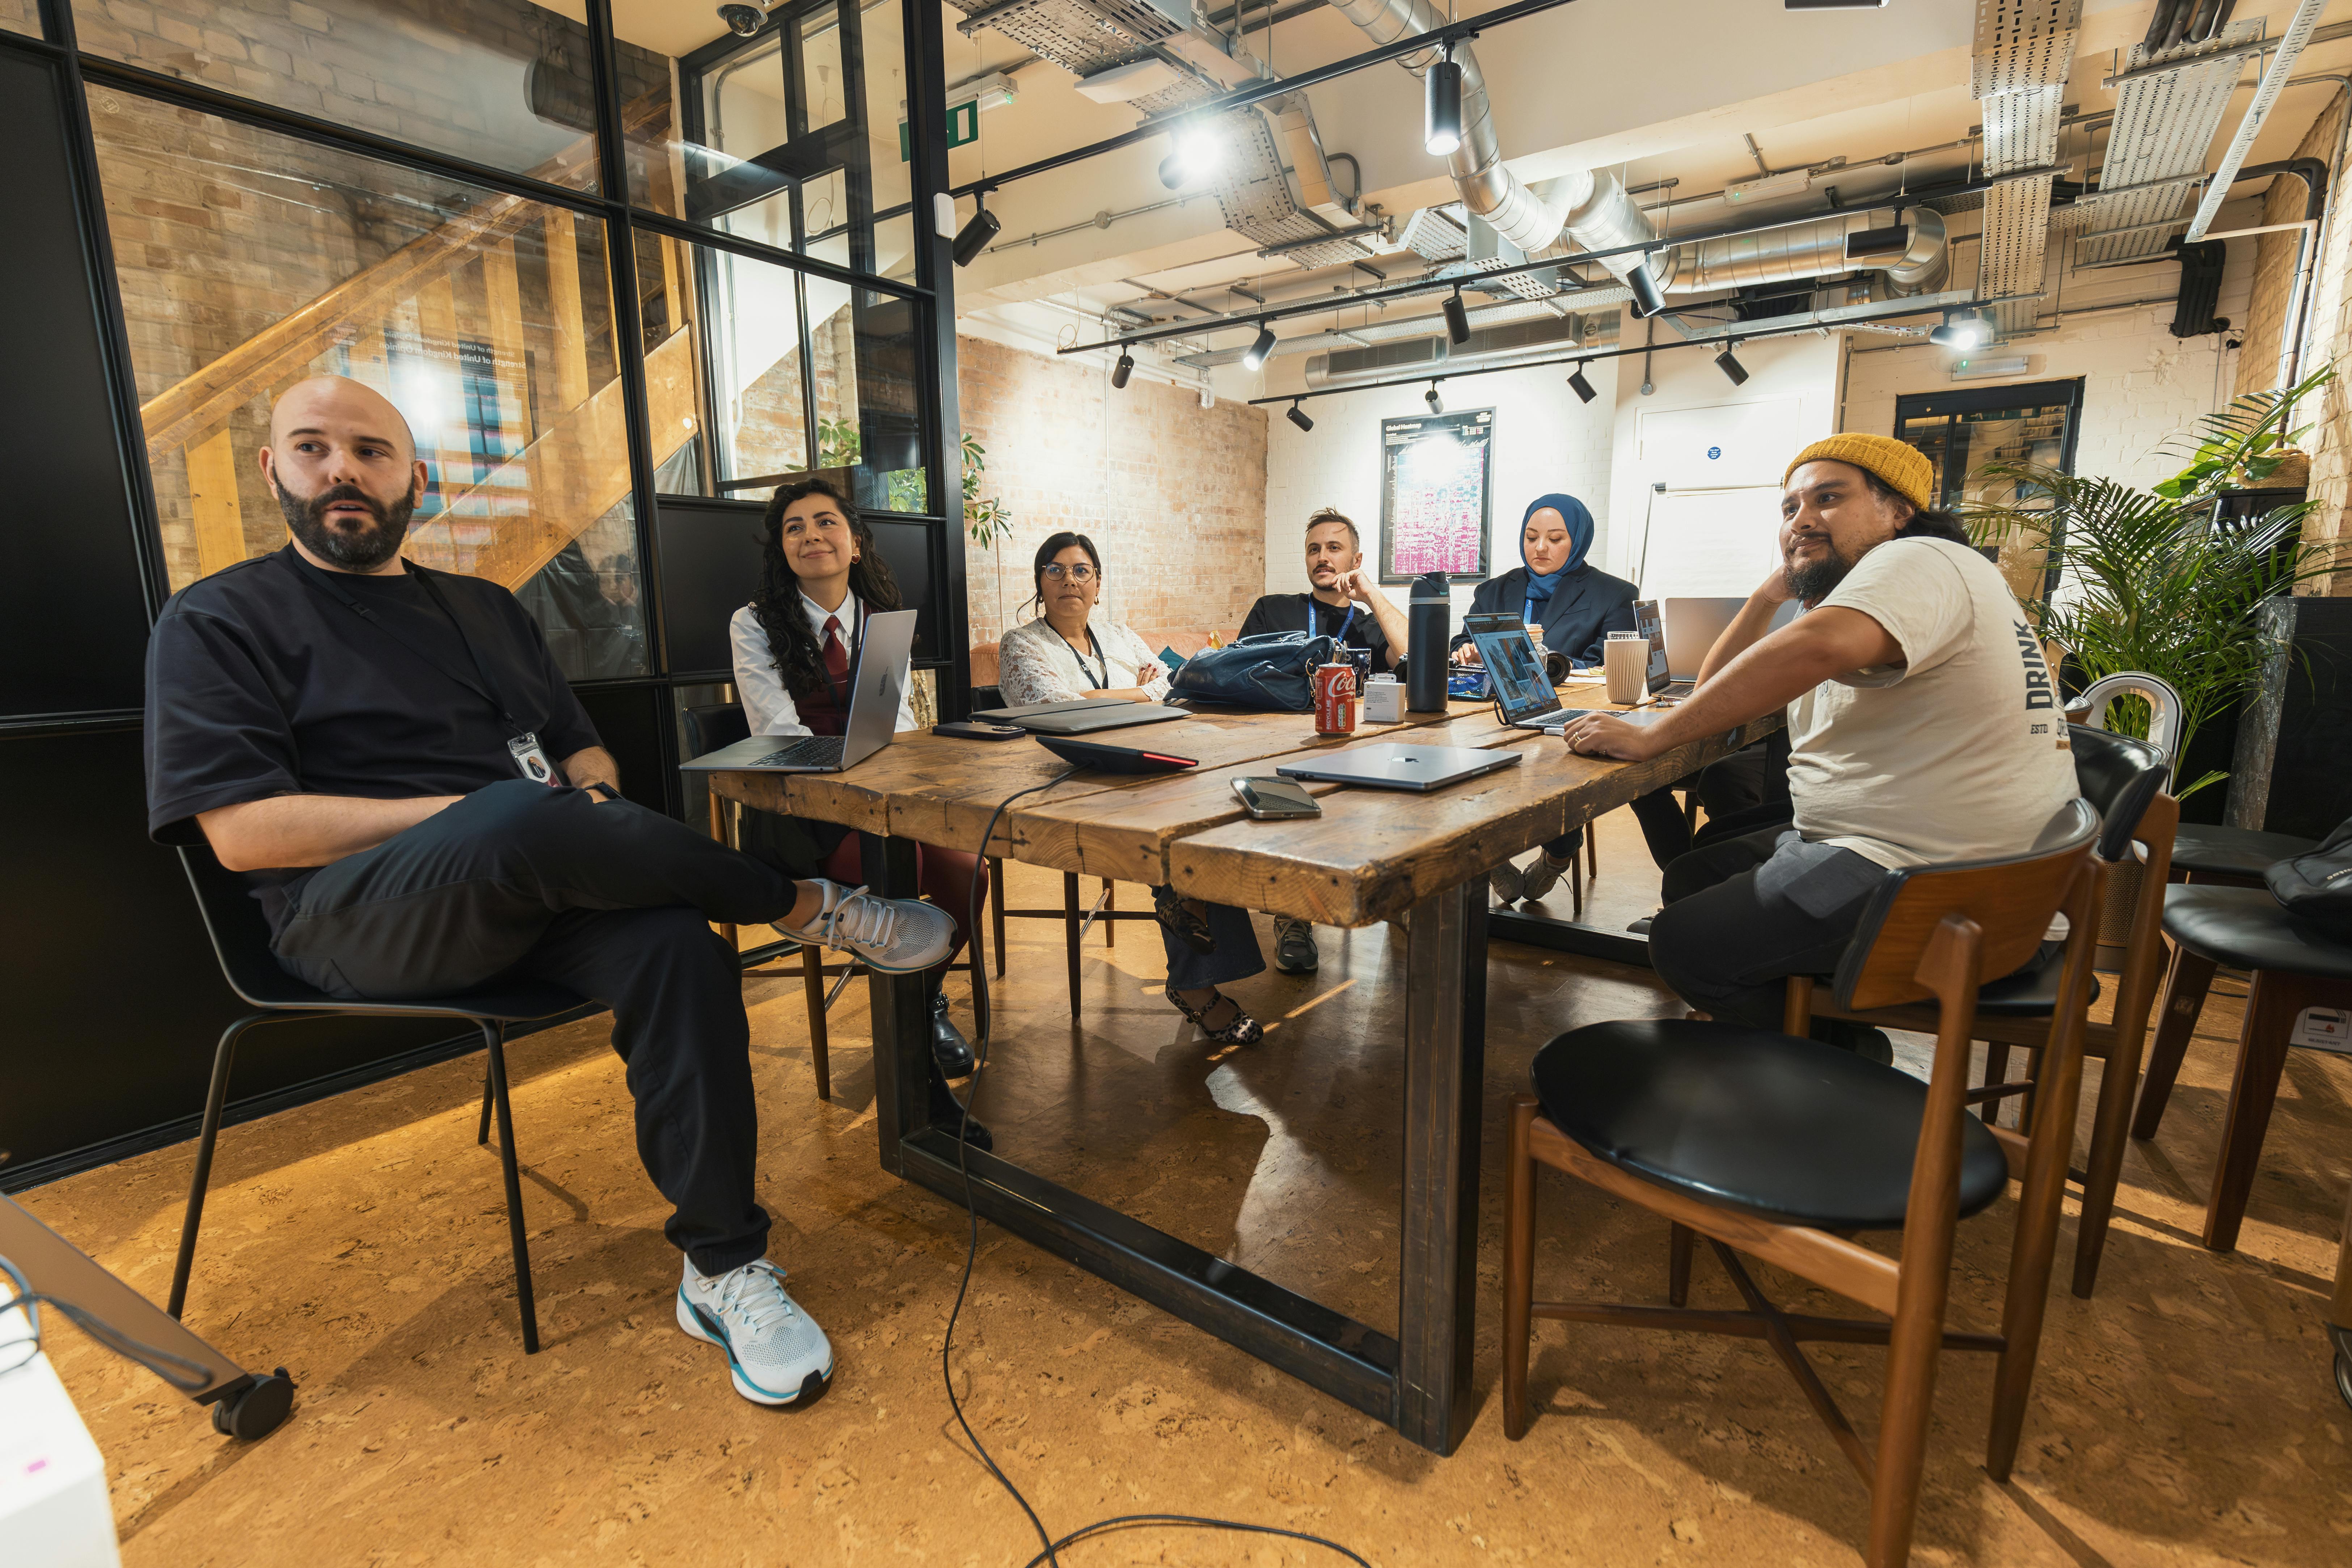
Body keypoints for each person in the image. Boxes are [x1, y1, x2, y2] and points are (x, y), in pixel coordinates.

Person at [143, 376, 966, 1412]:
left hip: (532, 887)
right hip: (351, 914)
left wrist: (591, 809)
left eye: (371, 450)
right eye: (311, 447)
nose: (341, 469)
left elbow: (581, 753)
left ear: (416, 477)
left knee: (679, 944)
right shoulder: (216, 619)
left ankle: (720, 1266)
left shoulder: (483, 610)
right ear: (273, 470)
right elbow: (242, 832)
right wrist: (479, 811)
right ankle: (812, 908)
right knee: (512, 812)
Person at [1558, 434, 2081, 1060]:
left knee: (1681, 944)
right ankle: (1792, 1027)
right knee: (1694, 872)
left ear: (1898, 510)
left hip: (1932, 883)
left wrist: (1651, 738)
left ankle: (1841, 1061)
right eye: (1788, 509)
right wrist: (1768, 593)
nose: (1801, 519)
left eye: (1828, 498)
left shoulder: (1919, 560)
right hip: (1941, 858)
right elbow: (1713, 686)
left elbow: (1817, 648)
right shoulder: (1891, 586)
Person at [727, 477, 989, 1091]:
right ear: (781, 548)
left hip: (885, 794)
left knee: (966, 869)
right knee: (905, 866)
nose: (810, 535)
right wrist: (861, 784)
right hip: (803, 808)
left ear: (853, 544)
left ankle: (920, 1000)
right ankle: (911, 1013)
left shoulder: (881, 620)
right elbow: (779, 733)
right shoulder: (754, 622)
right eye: (794, 527)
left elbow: (893, 728)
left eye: (825, 522)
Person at [996, 533, 1267, 1043]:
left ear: (1097, 582)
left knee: (1207, 806)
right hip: (1065, 777)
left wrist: (1121, 694)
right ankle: (1191, 968)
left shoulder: (1118, 634)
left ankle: (1186, 904)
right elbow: (1053, 707)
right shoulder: (1022, 643)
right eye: (1053, 570)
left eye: (1080, 571)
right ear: (1038, 582)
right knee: (1171, 828)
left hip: (1139, 763)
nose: (1068, 581)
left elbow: (1173, 685)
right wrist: (1138, 692)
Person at [1448, 493, 1670, 905]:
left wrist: (1549, 662)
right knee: (1458, 765)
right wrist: (1465, 650)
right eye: (1531, 537)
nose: (1540, 548)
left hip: (1567, 715)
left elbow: (1609, 660)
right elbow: (1463, 639)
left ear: (1578, 540)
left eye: (1555, 538)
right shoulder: (1495, 590)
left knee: (1565, 767)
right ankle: (1484, 854)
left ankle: (1555, 858)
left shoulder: (1612, 593)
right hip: (1494, 714)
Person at [1235, 507, 1408, 972]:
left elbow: (1413, 657)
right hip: (1279, 748)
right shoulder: (1274, 609)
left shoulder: (1372, 624)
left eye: (1334, 548)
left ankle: (1400, 896)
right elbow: (1239, 675)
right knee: (1281, 788)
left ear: (1355, 557)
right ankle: (1293, 916)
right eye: (1314, 549)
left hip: (1358, 751)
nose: (1322, 557)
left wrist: (1371, 594)